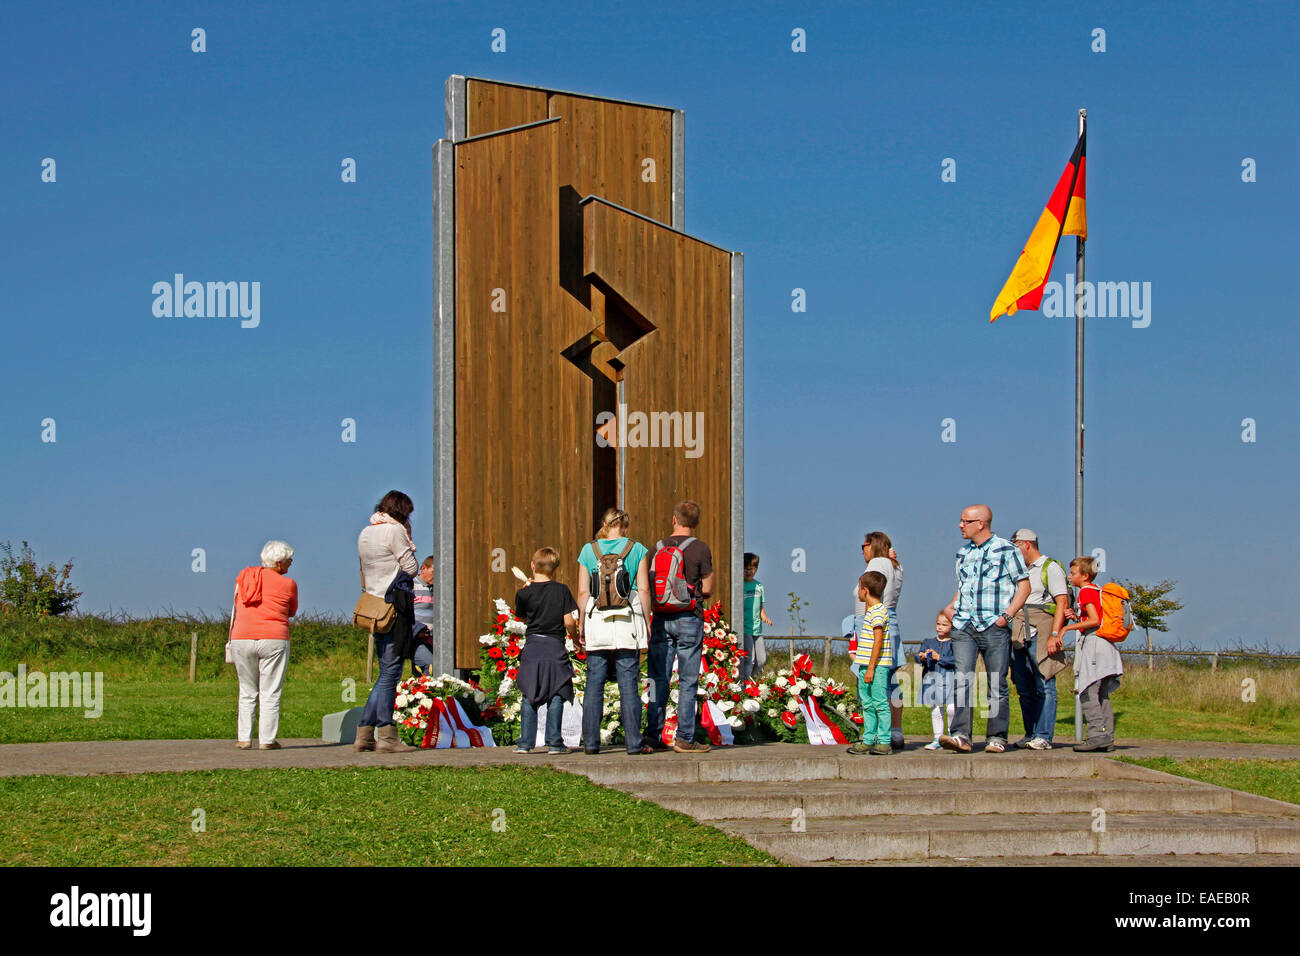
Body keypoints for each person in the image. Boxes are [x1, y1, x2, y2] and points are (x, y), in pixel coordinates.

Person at [939, 504, 1031, 754]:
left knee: (996, 683)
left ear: (981, 523)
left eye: (965, 521)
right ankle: (960, 736)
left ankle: (996, 737)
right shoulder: (962, 553)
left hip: (993, 625)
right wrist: (951, 608)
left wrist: (1007, 616)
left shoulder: (1006, 549)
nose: (960, 525)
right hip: (964, 625)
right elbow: (965, 586)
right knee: (962, 680)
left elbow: (1023, 585)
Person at [575, 508, 653, 756]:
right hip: (627, 620)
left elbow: (583, 592)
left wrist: (581, 624)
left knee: (594, 682)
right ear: (626, 526)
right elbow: (643, 590)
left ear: (604, 525)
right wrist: (648, 622)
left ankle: (590, 743)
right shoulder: (637, 549)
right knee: (629, 683)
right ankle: (633, 743)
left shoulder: (589, 550)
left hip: (597, 620)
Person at [644, 500, 715, 754]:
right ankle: (684, 738)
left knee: (658, 677)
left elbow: (648, 583)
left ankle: (653, 735)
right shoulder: (700, 548)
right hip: (689, 617)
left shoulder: (657, 547)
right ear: (696, 523)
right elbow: (707, 588)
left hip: (661, 617)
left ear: (674, 519)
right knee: (687, 680)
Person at [356, 490, 420, 754]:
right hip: (395, 606)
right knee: (391, 673)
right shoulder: (394, 532)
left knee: (385, 672)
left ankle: (364, 734)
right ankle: (387, 735)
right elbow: (412, 568)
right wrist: (409, 542)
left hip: (375, 605)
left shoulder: (365, 532)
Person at [230, 540, 298, 751]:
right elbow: (291, 611)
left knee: (247, 690)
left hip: (241, 638)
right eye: (288, 560)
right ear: (278, 564)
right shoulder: (288, 584)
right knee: (270, 691)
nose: (291, 563)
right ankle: (267, 740)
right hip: (273, 639)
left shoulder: (244, 578)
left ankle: (244, 738)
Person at [514, 547, 580, 755]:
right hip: (554, 645)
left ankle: (525, 743)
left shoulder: (523, 593)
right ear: (555, 569)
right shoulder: (561, 591)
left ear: (533, 566)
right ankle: (554, 743)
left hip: (533, 645)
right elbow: (568, 620)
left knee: (529, 692)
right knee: (557, 692)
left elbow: (523, 618)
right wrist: (576, 638)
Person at [1009, 530, 1070, 750]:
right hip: (1019, 632)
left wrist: (1055, 634)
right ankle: (1030, 732)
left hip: (1041, 630)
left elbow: (1062, 601)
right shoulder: (1018, 570)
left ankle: (1044, 735)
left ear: (1025, 544)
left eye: (1015, 546)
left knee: (1044, 681)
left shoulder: (1049, 567)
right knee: (1023, 685)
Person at [1059, 556, 1123, 752]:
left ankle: (1096, 734)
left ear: (1085, 576)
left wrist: (1067, 629)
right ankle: (1107, 737)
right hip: (1107, 647)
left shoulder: (1086, 592)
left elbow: (1094, 620)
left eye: (1073, 573)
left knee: (1087, 692)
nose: (1070, 577)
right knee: (1101, 694)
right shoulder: (1097, 591)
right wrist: (1078, 616)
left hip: (1095, 647)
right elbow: (1094, 616)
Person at [863, 531, 905, 749]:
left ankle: (879, 733)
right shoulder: (895, 565)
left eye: (864, 545)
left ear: (872, 545)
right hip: (892, 618)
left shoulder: (877, 564)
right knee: (891, 680)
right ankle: (895, 731)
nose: (862, 550)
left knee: (874, 682)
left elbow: (872, 595)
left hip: (876, 620)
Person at [847, 571, 892, 755]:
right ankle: (868, 738)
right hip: (866, 665)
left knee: (880, 703)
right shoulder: (872, 611)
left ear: (865, 590)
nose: (858, 592)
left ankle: (884, 740)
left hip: (877, 667)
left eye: (859, 588)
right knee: (867, 703)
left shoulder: (879, 612)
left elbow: (878, 641)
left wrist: (872, 668)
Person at [917, 611, 956, 750]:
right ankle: (938, 738)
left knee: (952, 708)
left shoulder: (954, 643)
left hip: (950, 678)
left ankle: (952, 736)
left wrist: (939, 657)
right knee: (936, 709)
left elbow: (956, 661)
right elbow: (918, 656)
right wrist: (922, 657)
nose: (940, 627)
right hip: (933, 679)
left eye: (944, 624)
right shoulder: (928, 642)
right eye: (938, 624)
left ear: (952, 626)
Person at [742, 553, 773, 680]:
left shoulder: (759, 586)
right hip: (745, 628)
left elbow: (760, 607)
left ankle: (753, 680)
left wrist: (765, 617)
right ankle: (746, 683)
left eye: (751, 569)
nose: (749, 572)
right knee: (750, 659)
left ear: (756, 569)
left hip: (757, 628)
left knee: (761, 660)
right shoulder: (741, 586)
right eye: (746, 568)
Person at [411, 556, 435, 676]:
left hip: (433, 639)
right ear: (423, 569)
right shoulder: (412, 586)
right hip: (417, 639)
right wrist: (417, 629)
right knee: (430, 665)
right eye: (433, 572)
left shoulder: (437, 588)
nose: (436, 576)